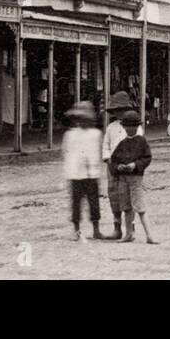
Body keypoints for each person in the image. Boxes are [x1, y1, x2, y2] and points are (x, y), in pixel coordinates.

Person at [109, 110, 155, 244]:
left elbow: (147, 158)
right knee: (126, 207)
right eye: (127, 126)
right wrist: (118, 167)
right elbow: (113, 160)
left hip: (136, 179)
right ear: (124, 127)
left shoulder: (141, 141)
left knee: (140, 207)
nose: (130, 129)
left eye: (133, 126)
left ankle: (149, 234)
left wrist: (135, 165)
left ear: (137, 127)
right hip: (123, 179)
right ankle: (129, 233)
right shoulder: (122, 143)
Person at [101, 90, 140, 239]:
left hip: (129, 167)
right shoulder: (111, 127)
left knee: (129, 196)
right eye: (116, 110)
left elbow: (139, 145)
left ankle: (131, 228)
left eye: (121, 110)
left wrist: (132, 162)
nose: (119, 113)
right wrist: (107, 158)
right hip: (113, 166)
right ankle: (117, 227)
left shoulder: (135, 126)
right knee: (114, 195)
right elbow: (106, 144)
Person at [62, 100, 104, 240]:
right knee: (76, 203)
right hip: (75, 173)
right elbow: (66, 152)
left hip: (92, 172)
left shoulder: (96, 134)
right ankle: (77, 230)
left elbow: (97, 152)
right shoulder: (70, 134)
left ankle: (96, 229)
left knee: (94, 202)